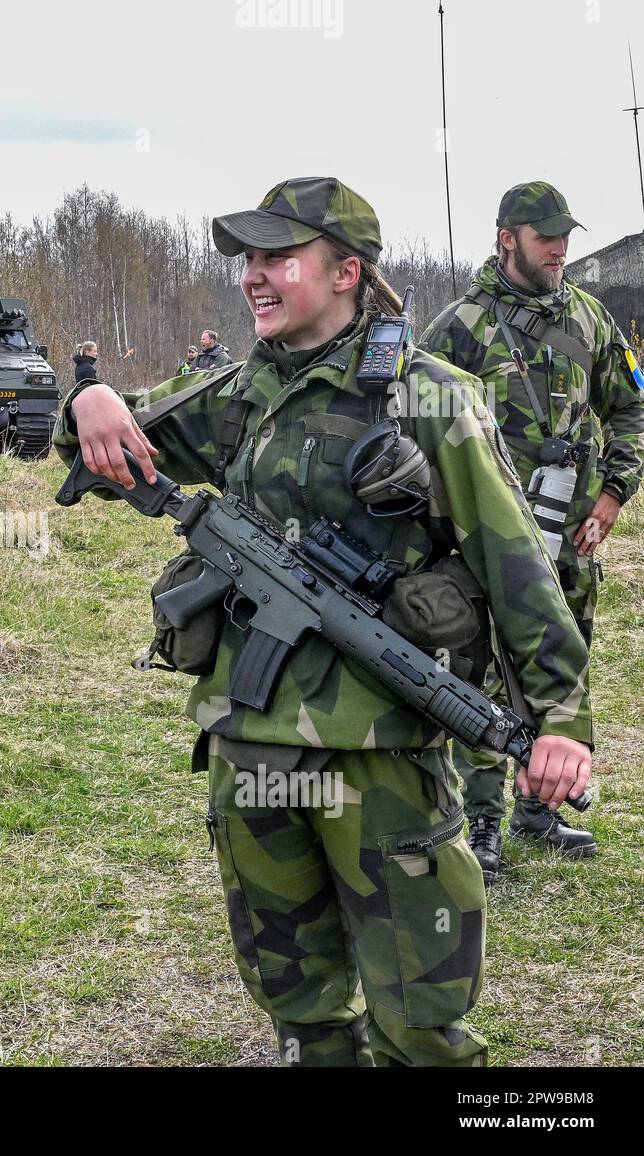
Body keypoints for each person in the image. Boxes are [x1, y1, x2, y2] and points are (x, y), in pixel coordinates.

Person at [54, 176, 594, 1067]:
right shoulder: (238, 391)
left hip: (381, 757)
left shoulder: (429, 399)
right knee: (299, 1005)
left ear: (347, 271)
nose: (254, 277)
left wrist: (560, 721)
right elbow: (97, 447)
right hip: (250, 748)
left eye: (278, 257)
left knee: (421, 1021)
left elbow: (516, 569)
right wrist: (91, 399)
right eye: (249, 260)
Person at [420, 181, 642, 883]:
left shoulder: (590, 318)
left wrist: (612, 493)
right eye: (545, 235)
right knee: (483, 681)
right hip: (487, 549)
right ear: (506, 237)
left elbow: (631, 408)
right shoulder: (459, 326)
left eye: (564, 235)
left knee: (558, 667)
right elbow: (410, 431)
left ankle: (542, 808)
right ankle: (481, 824)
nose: (560, 247)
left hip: (571, 548)